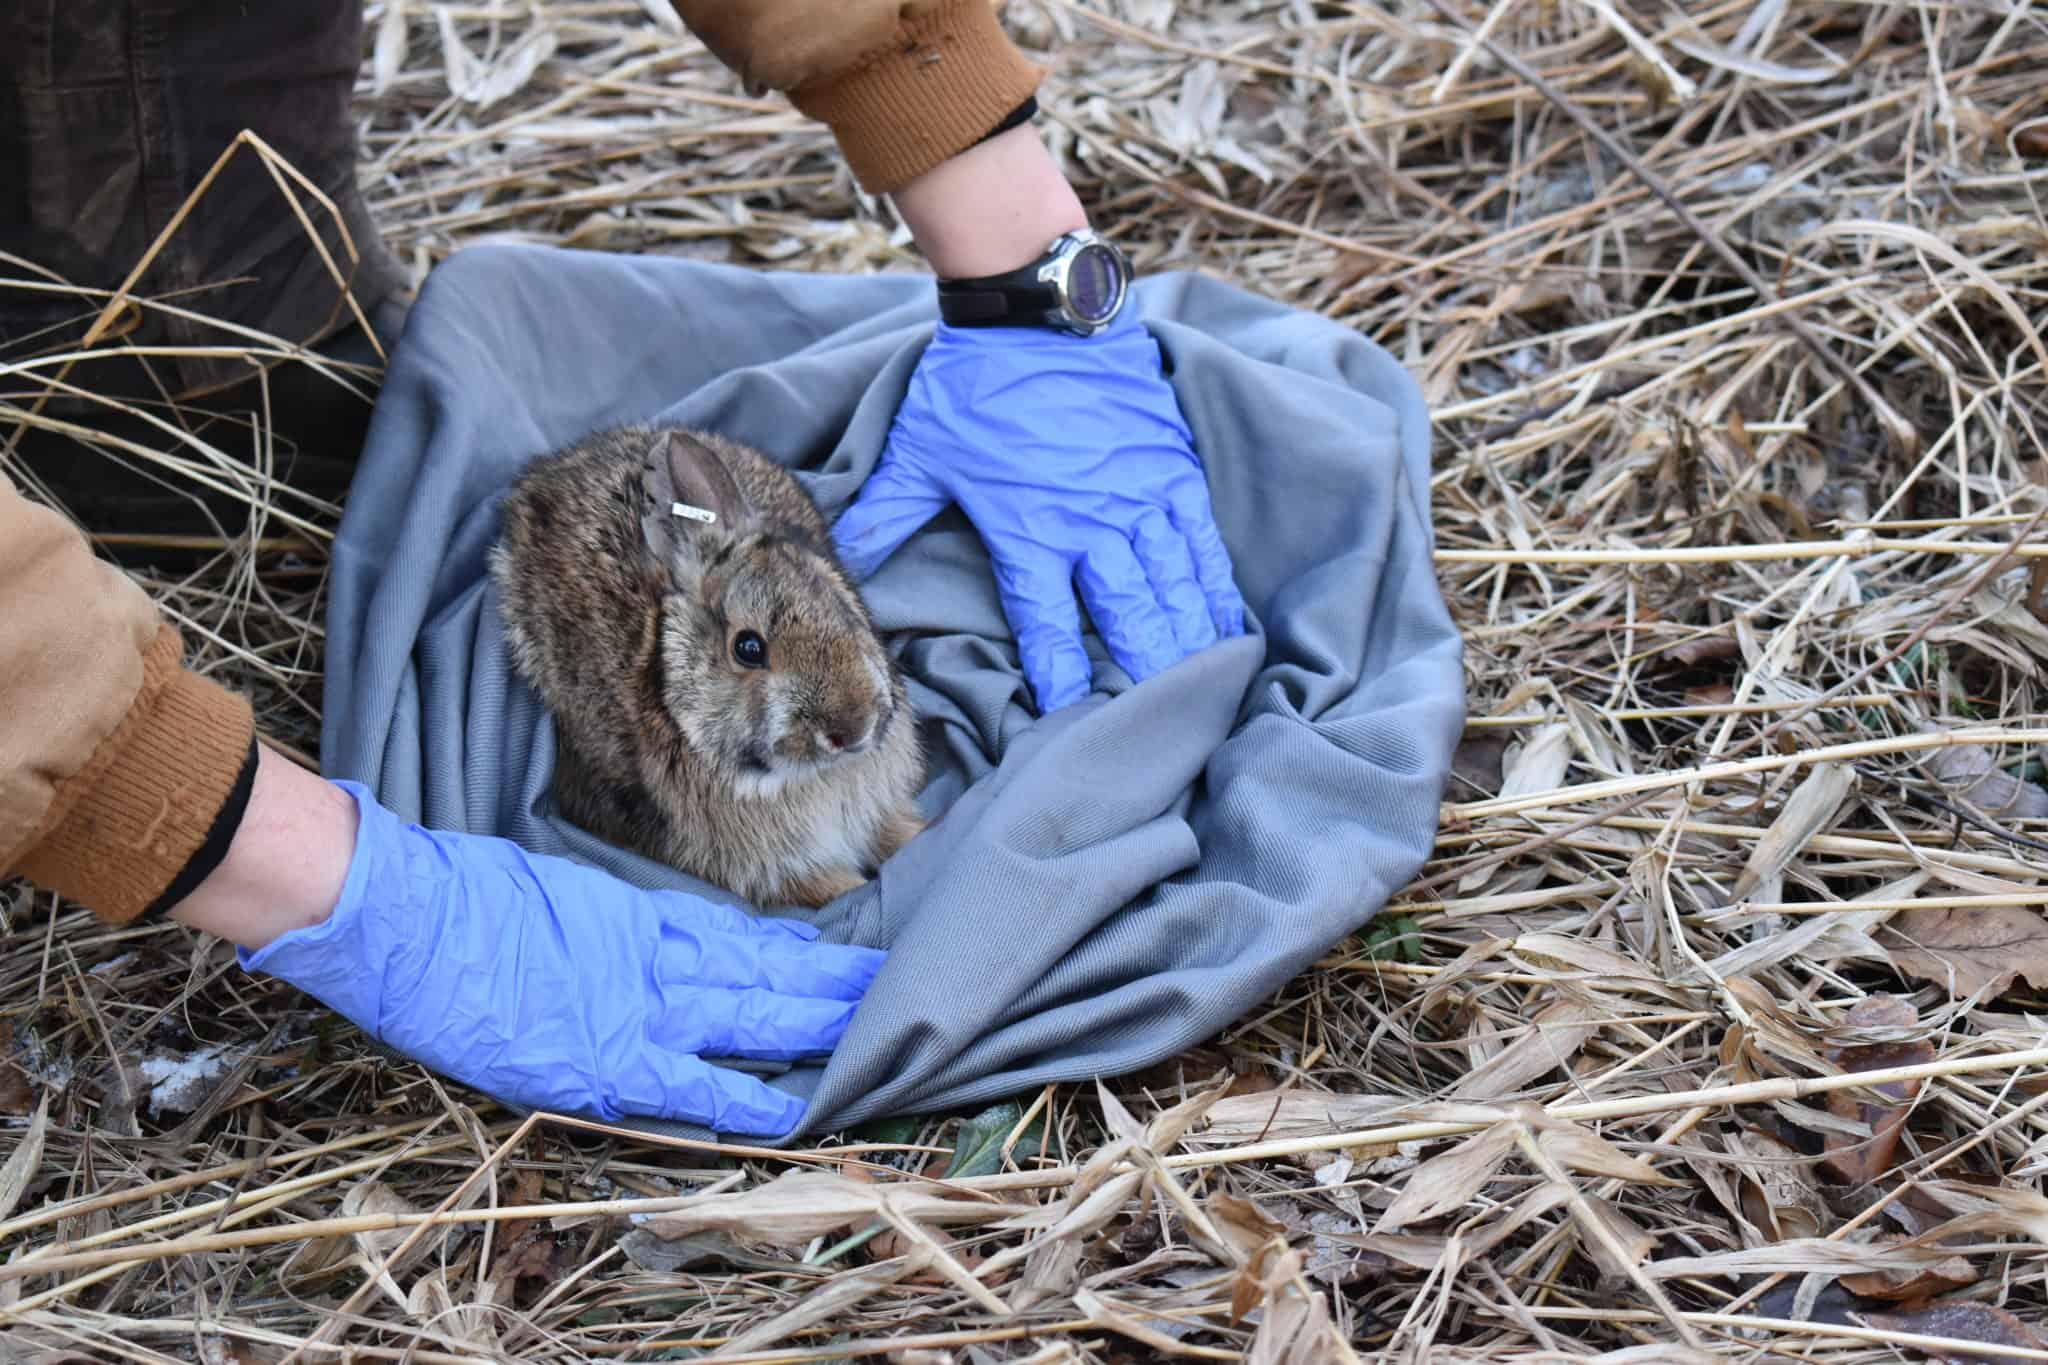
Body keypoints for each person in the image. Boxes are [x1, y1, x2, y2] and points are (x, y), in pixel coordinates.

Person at [0, 1, 1245, 1136]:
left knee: (258, 375)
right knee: (142, 470)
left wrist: (1019, 259)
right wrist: (279, 863)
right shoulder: (656, 673)